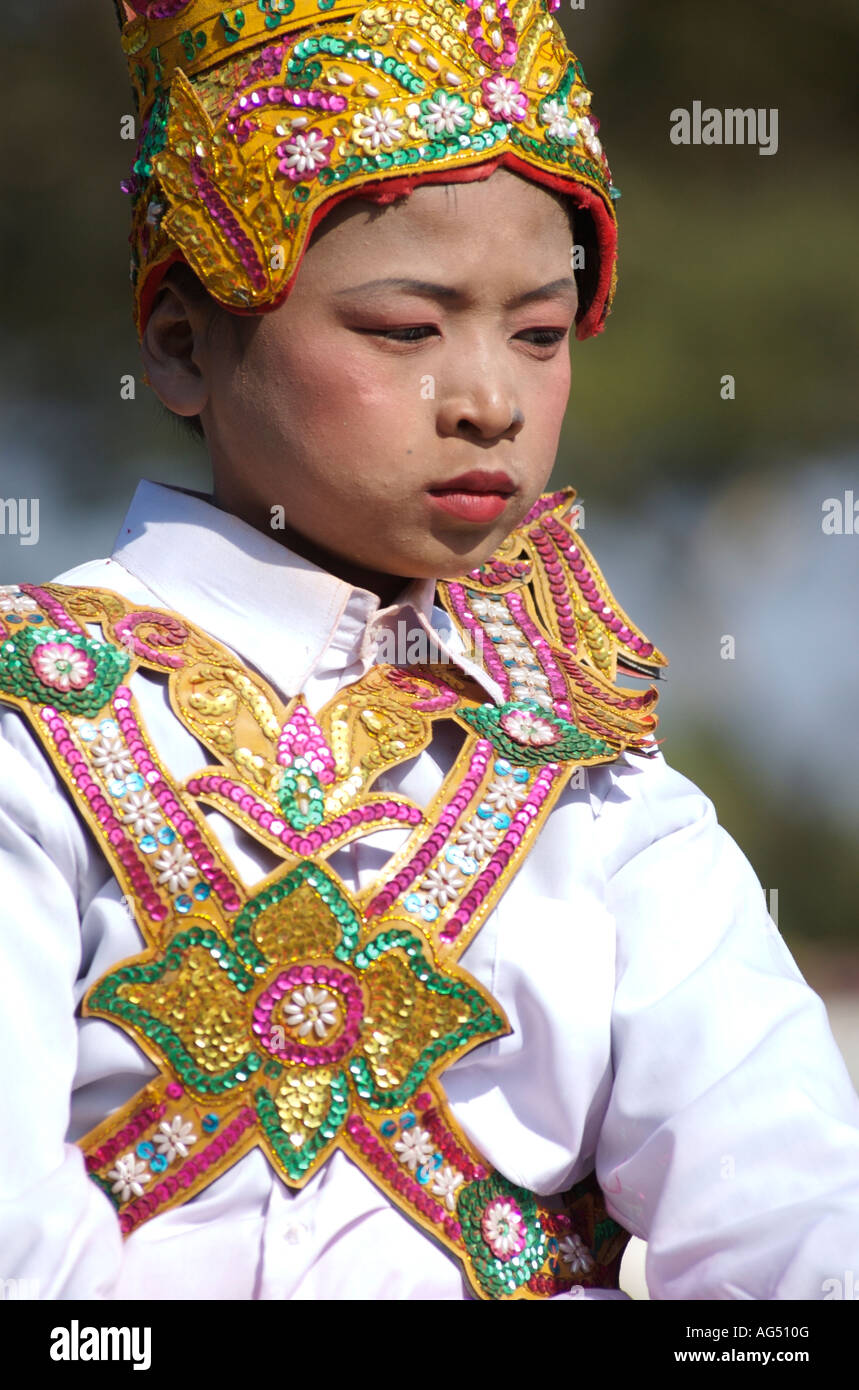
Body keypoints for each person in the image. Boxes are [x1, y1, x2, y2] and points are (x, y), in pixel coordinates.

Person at [0, 0, 857, 1302]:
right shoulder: (32, 729)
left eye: (541, 333)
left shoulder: (602, 796)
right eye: (407, 328)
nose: (491, 399)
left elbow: (791, 1233)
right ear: (182, 342)